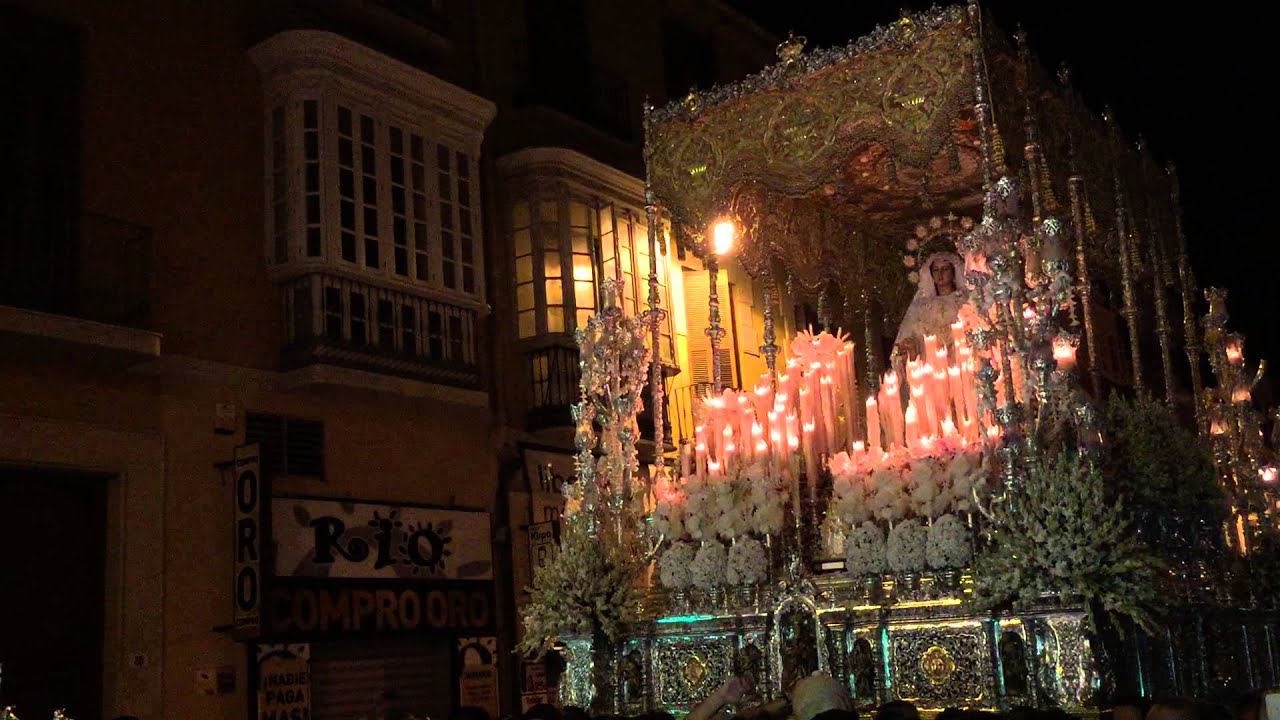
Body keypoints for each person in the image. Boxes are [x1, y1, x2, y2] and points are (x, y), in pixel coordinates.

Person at [893, 252, 971, 361]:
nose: (940, 274)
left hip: (962, 356)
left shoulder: (964, 301)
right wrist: (909, 345)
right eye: (936, 270)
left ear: (953, 273)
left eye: (945, 269)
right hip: (932, 361)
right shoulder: (922, 306)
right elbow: (911, 332)